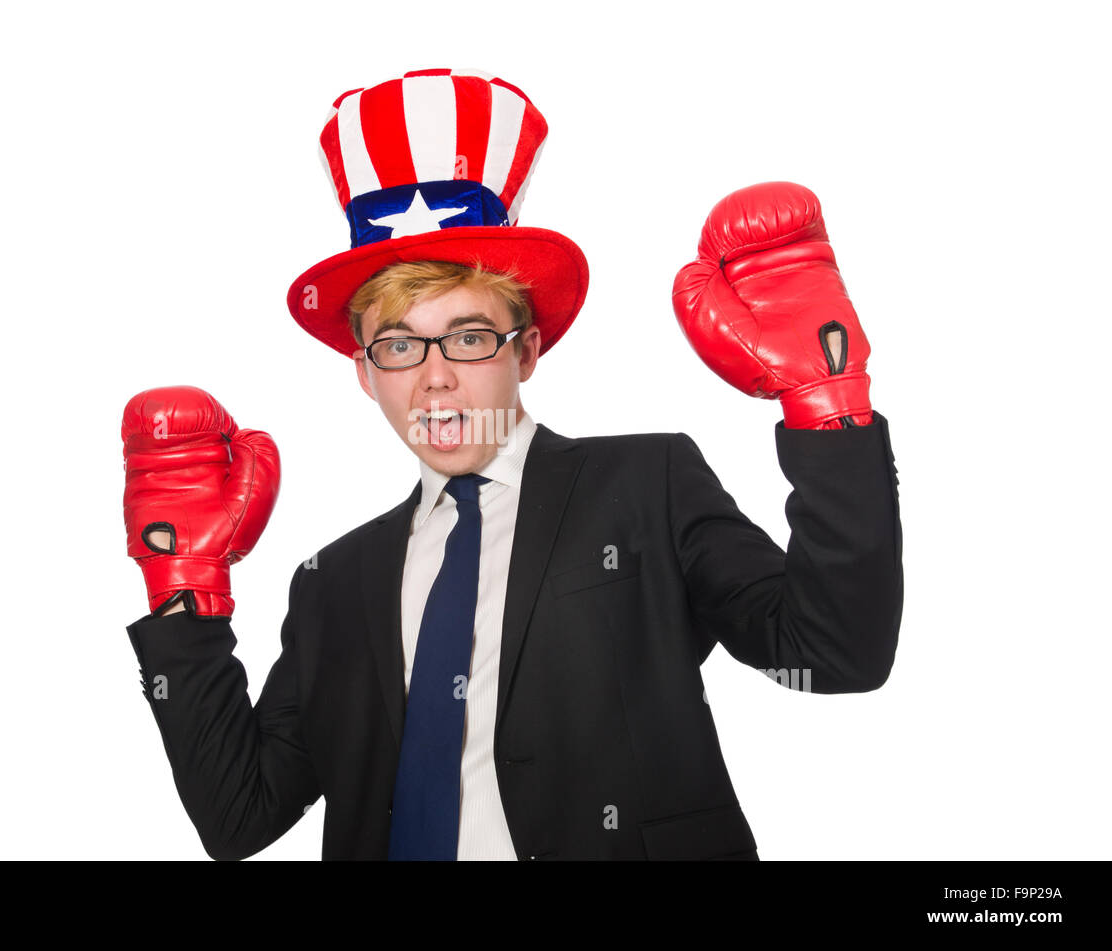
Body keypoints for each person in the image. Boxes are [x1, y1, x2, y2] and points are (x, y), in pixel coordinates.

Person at [121, 68, 903, 861]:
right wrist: (184, 592)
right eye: (398, 344)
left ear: (526, 350)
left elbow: (836, 653)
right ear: (365, 373)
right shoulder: (332, 582)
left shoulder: (645, 486)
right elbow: (237, 817)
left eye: (467, 336)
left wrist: (827, 404)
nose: (434, 376)